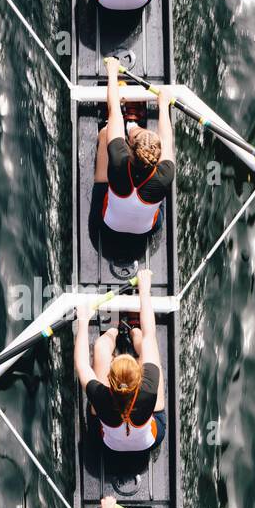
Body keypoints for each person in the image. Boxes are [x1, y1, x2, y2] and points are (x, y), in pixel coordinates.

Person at [75, 268, 166, 452]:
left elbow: (82, 364)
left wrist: (83, 321)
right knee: (146, 341)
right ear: (140, 375)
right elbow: (150, 335)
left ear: (109, 378)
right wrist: (144, 291)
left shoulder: (100, 395)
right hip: (150, 440)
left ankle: (111, 331)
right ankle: (134, 329)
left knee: (101, 347)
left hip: (107, 445)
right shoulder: (149, 385)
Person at [96, 56, 174, 235]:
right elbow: (167, 139)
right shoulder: (166, 172)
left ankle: (130, 126)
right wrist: (163, 106)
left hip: (109, 223)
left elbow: (114, 110)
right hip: (147, 230)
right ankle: (133, 125)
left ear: (129, 147)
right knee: (158, 192)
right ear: (158, 157)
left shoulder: (118, 158)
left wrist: (113, 72)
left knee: (106, 133)